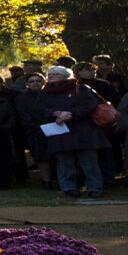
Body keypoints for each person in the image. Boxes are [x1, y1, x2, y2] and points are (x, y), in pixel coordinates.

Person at [37, 66, 109, 198]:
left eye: (55, 74)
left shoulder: (80, 88)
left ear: (65, 76)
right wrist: (55, 113)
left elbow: (90, 105)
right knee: (64, 161)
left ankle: (95, 188)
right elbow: (41, 108)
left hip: (84, 131)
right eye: (49, 74)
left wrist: (71, 114)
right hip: (60, 131)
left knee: (89, 162)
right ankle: (68, 188)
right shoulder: (45, 92)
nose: (51, 76)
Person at [16, 73, 52, 188]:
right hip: (34, 131)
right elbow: (23, 115)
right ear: (27, 84)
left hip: (53, 129)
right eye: (32, 81)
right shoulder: (21, 98)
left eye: (38, 80)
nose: (35, 83)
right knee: (41, 157)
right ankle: (46, 181)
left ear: (44, 82)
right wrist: (36, 128)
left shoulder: (51, 95)